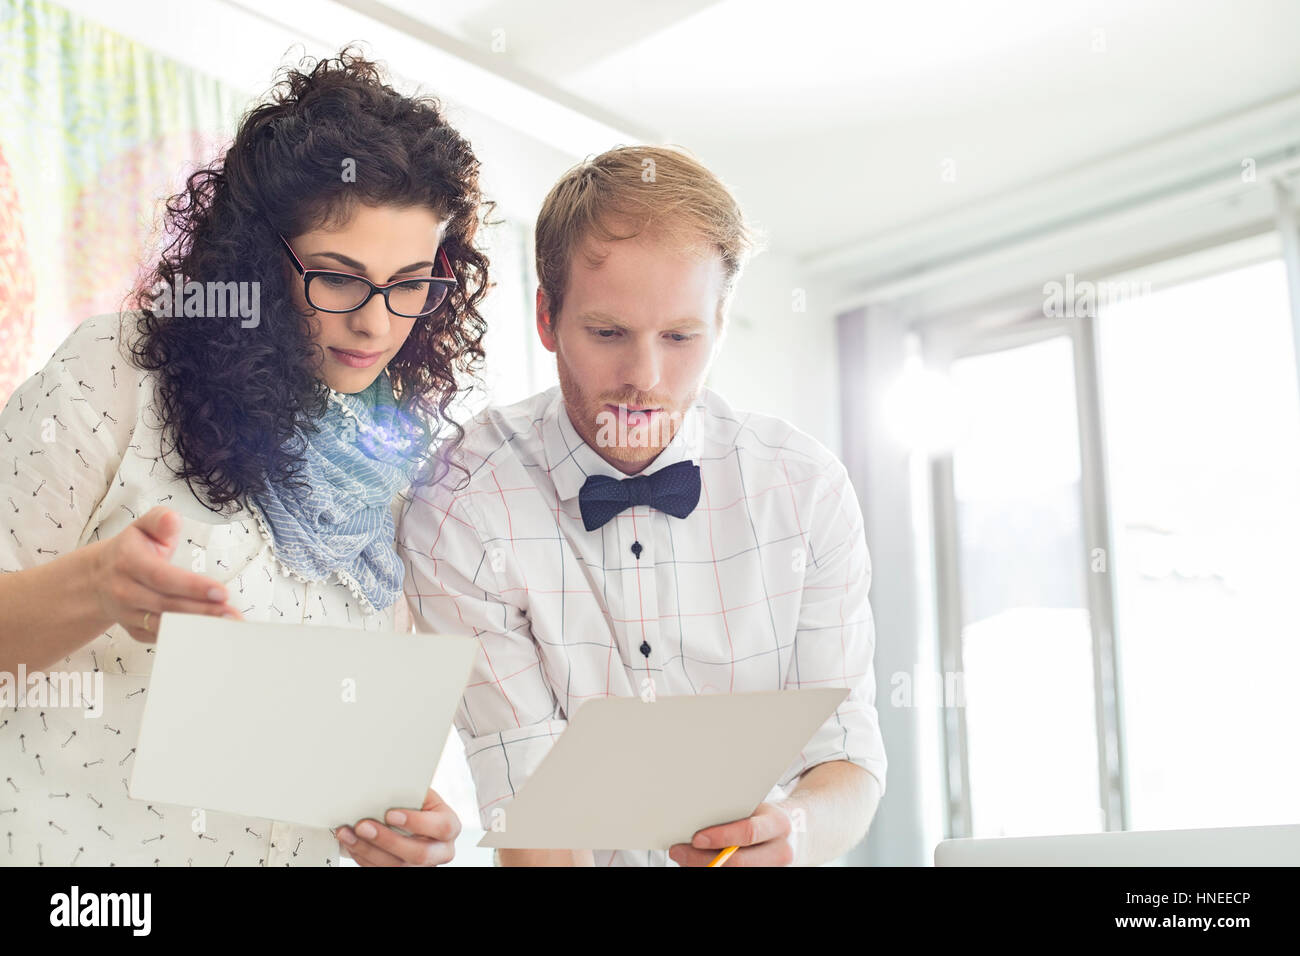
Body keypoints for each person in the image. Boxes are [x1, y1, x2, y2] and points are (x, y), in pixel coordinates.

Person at [0, 50, 492, 867]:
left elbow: (342, 754)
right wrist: (93, 590)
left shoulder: (401, 474)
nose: (376, 324)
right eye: (338, 279)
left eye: (410, 283)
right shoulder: (120, 371)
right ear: (259, 263)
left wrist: (398, 826)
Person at [398, 145, 887, 866]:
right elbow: (532, 816)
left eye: (681, 337)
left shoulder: (805, 489)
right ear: (546, 316)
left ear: (720, 322)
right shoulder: (463, 503)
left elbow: (847, 757)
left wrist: (796, 833)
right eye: (607, 334)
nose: (643, 379)